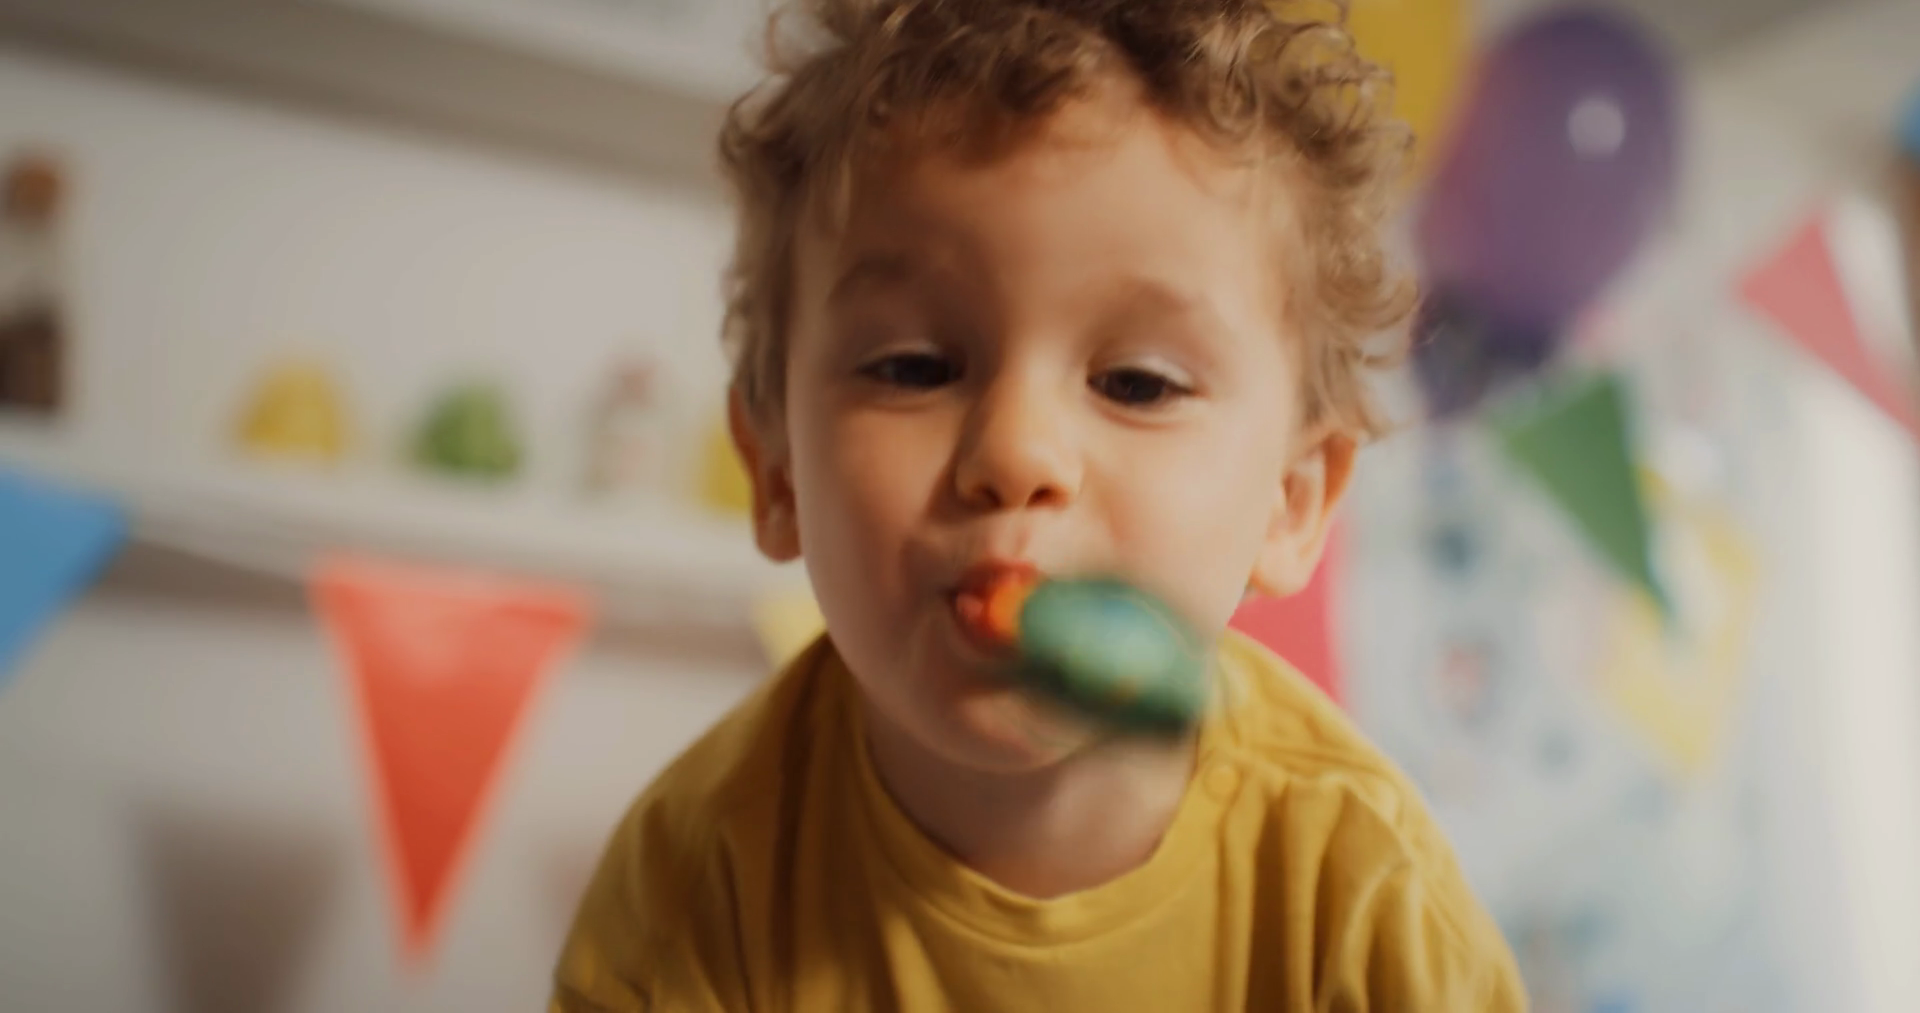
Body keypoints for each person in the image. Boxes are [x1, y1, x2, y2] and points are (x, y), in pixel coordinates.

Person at [552, 0, 1525, 1008]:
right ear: (777, 471)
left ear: (1291, 500)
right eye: (914, 366)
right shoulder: (695, 884)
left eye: (1138, 384)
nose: (1014, 451)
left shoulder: (1368, 898)